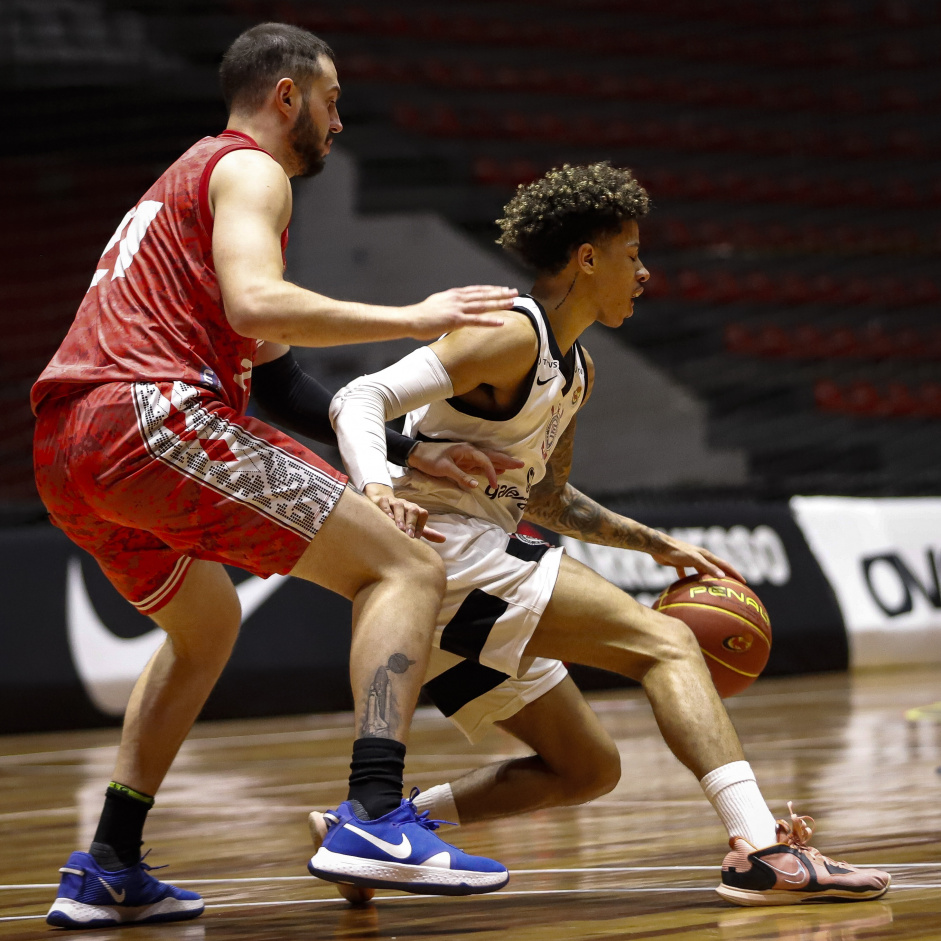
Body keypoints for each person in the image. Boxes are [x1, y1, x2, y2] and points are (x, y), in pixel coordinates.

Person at [32, 22, 519, 930]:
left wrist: (409, 453)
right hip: (147, 415)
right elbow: (257, 301)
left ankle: (108, 860)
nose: (341, 122)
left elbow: (280, 375)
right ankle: (376, 811)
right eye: (332, 99)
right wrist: (411, 316)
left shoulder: (191, 187)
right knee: (404, 567)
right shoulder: (248, 169)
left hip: (67, 450)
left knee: (205, 624)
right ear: (286, 94)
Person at [324, 162, 892, 907]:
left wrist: (653, 543)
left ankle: (384, 825)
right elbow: (359, 394)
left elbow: (549, 497)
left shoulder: (577, 369)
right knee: (665, 642)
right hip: (441, 551)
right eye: (631, 252)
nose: (644, 271)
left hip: (461, 574)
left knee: (585, 766)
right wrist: (375, 488)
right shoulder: (506, 334)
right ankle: (759, 849)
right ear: (587, 258)